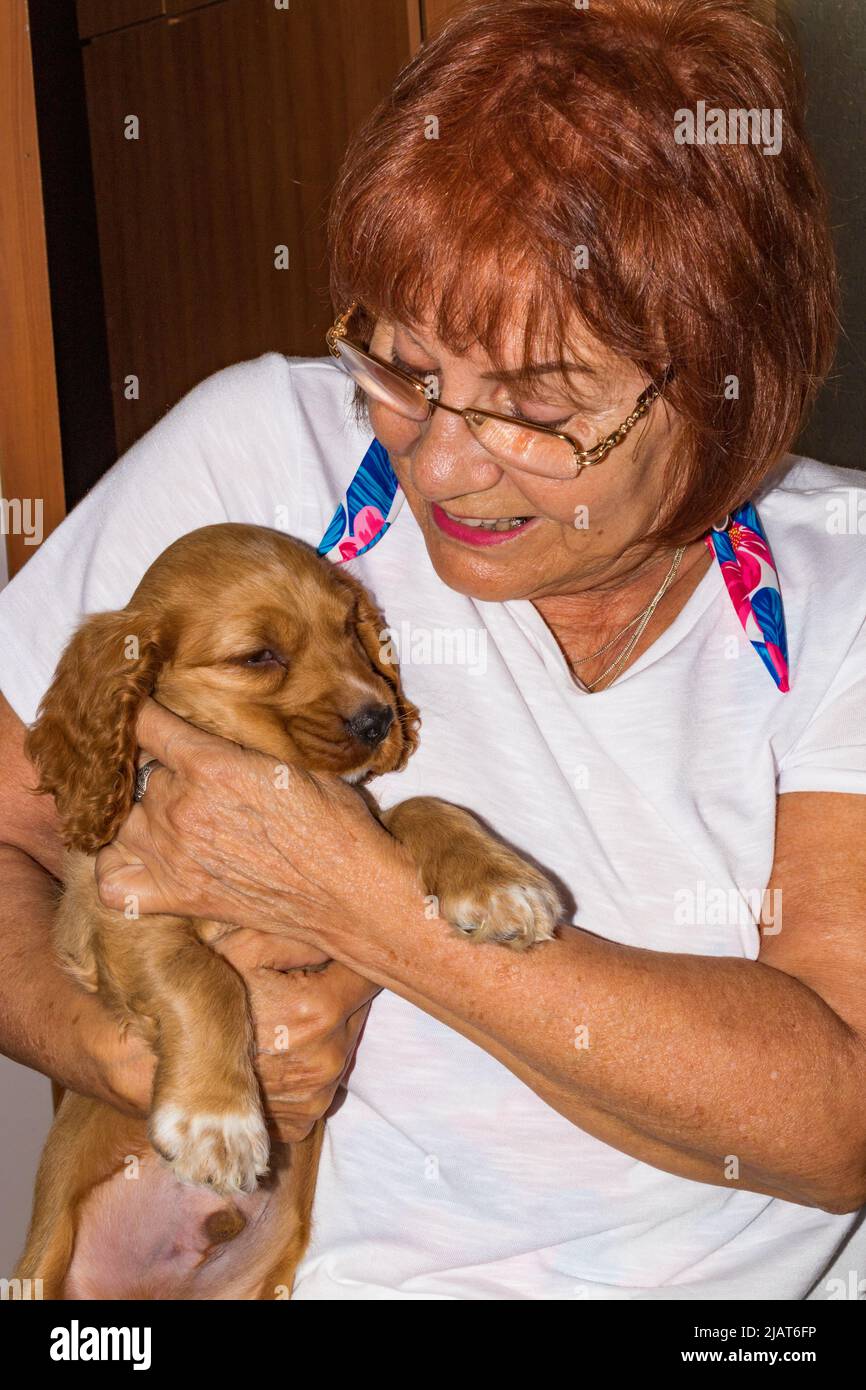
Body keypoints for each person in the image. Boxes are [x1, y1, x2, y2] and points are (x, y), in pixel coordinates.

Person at [1, 0, 864, 1300]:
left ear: (719, 381)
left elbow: (836, 1119)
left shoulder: (842, 580)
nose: (440, 463)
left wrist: (356, 895)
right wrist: (119, 1049)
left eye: (535, 406)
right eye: (400, 367)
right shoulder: (257, 458)